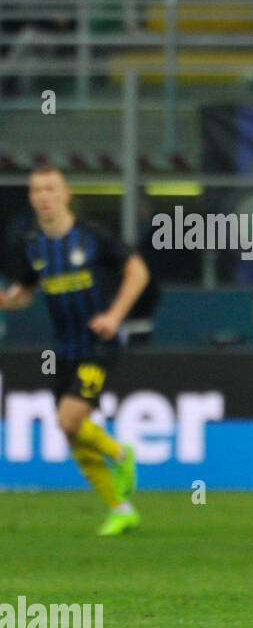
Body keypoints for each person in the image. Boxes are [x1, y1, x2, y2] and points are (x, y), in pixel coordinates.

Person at [0, 164, 149, 535]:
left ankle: (120, 454)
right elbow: (24, 295)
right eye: (37, 191)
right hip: (62, 350)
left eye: (51, 189)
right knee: (71, 433)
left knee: (69, 419)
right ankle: (121, 508)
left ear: (66, 194)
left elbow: (138, 272)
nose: (44, 197)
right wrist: (5, 302)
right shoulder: (33, 246)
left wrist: (115, 315)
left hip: (99, 343)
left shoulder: (93, 237)